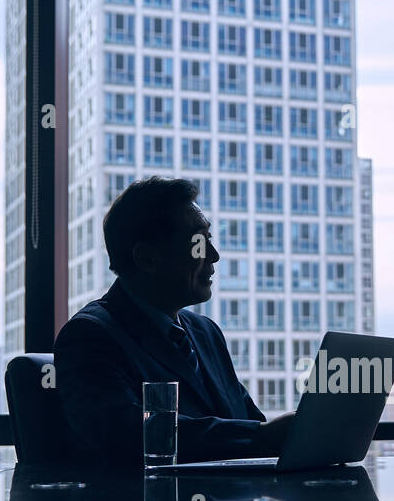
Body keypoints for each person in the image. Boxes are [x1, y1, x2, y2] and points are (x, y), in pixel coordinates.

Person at [54, 177, 294, 465]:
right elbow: (125, 436)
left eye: (209, 241)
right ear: (147, 258)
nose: (214, 256)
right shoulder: (89, 337)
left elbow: (249, 423)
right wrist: (263, 436)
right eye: (197, 243)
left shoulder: (206, 333)